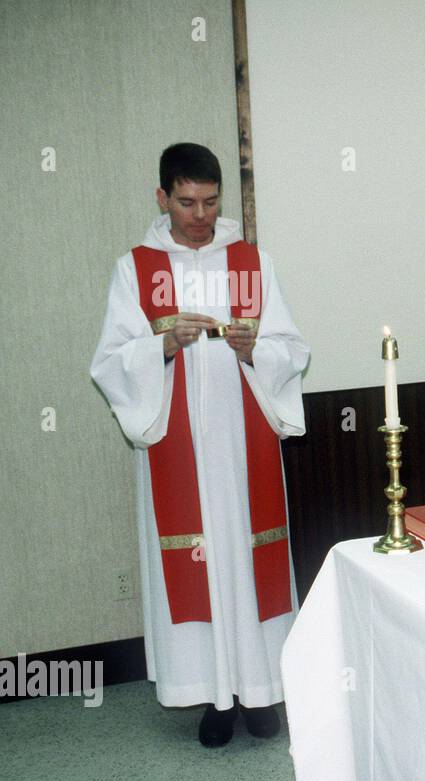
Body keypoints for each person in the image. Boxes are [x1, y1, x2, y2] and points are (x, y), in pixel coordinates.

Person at [91, 143, 309, 747]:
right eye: (186, 202)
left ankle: (261, 694)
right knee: (197, 562)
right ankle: (214, 699)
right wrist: (161, 346)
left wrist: (253, 349)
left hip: (245, 452)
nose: (200, 215)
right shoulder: (136, 268)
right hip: (178, 453)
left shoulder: (251, 263)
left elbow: (293, 350)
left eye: (210, 202)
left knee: (248, 559)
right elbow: (108, 361)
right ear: (162, 198)